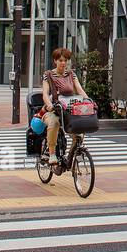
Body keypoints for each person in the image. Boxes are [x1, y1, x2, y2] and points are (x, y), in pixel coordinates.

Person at [42, 47, 91, 175]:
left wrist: (89, 101)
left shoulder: (71, 74)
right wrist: (49, 104)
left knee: (79, 134)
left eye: (66, 60)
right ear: (55, 61)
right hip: (54, 110)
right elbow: (45, 94)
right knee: (54, 123)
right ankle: (52, 153)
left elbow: (79, 90)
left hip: (69, 111)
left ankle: (70, 158)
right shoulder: (48, 75)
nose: (63, 63)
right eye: (60, 60)